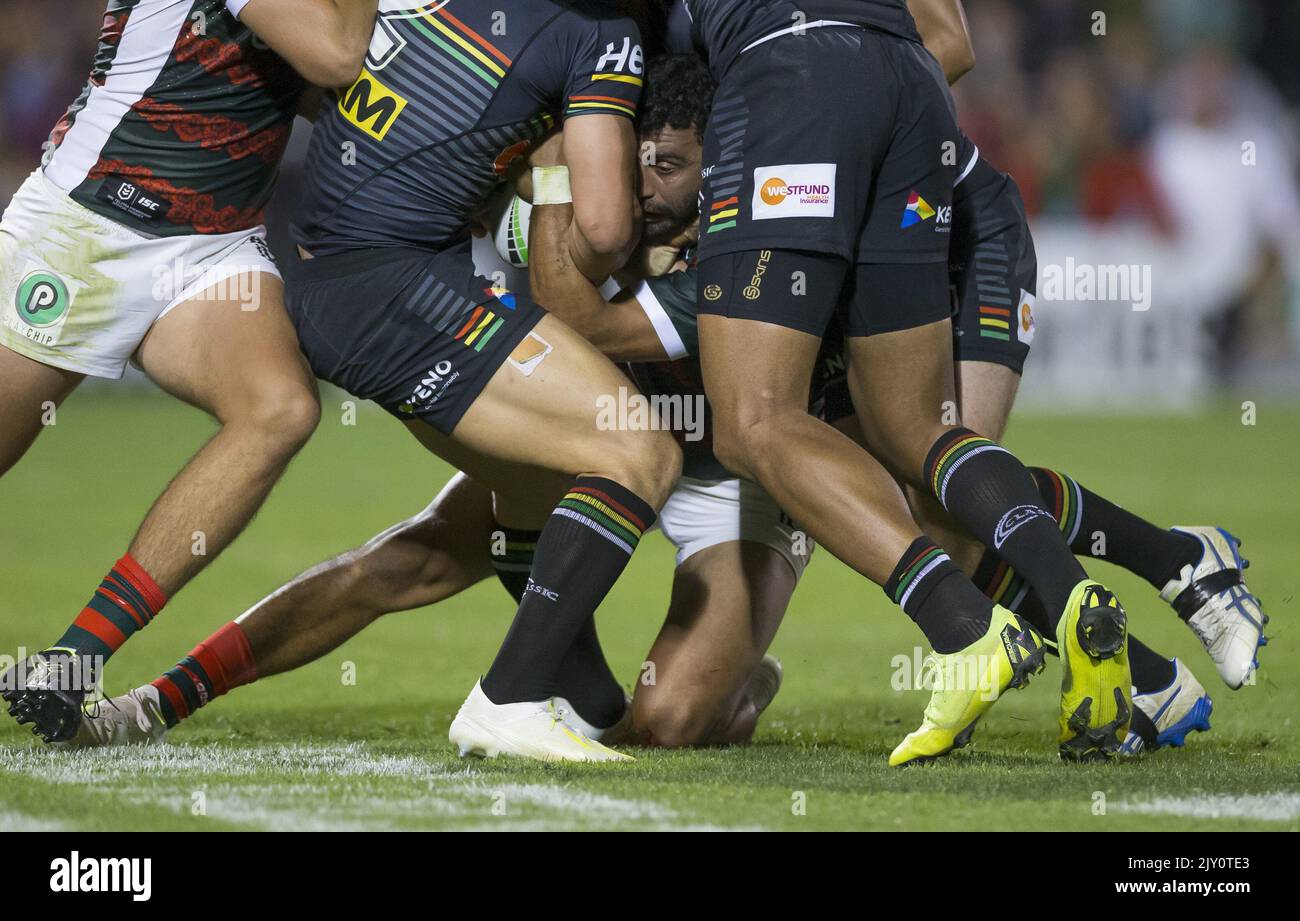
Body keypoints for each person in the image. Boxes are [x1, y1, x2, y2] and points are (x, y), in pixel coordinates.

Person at [1, 0, 380, 744]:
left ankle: (72, 661)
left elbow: (315, 85)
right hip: (92, 222)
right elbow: (338, 58)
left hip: (212, 243)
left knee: (278, 408)